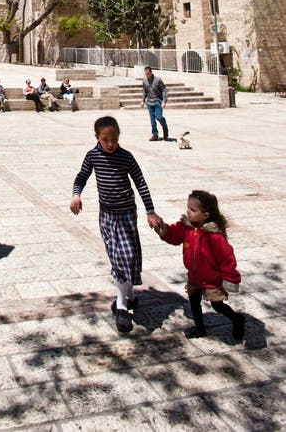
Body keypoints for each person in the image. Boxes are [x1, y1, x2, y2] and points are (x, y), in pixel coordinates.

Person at [70, 116, 161, 335]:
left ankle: (121, 305)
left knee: (127, 256)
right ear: (97, 138)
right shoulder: (93, 156)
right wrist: (76, 195)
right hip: (107, 215)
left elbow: (140, 182)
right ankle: (128, 295)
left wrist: (150, 210)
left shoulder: (126, 157)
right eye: (105, 139)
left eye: (114, 139)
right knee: (117, 256)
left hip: (127, 214)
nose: (110, 144)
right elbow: (82, 176)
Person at [153, 190, 244, 340]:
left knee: (217, 305)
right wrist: (162, 228)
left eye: (193, 209)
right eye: (188, 207)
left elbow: (227, 258)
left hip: (212, 280)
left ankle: (236, 319)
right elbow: (174, 236)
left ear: (205, 215)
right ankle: (199, 328)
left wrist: (230, 278)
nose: (188, 212)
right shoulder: (186, 227)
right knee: (194, 302)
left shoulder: (214, 236)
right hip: (194, 277)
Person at [140, 65, 169, 141]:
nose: (147, 75)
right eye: (146, 74)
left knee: (158, 117)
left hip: (157, 101)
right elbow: (144, 91)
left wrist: (164, 101)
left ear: (151, 72)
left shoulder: (158, 80)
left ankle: (165, 128)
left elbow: (164, 90)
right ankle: (155, 135)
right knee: (152, 120)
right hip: (149, 102)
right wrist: (142, 101)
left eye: (148, 73)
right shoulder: (144, 81)